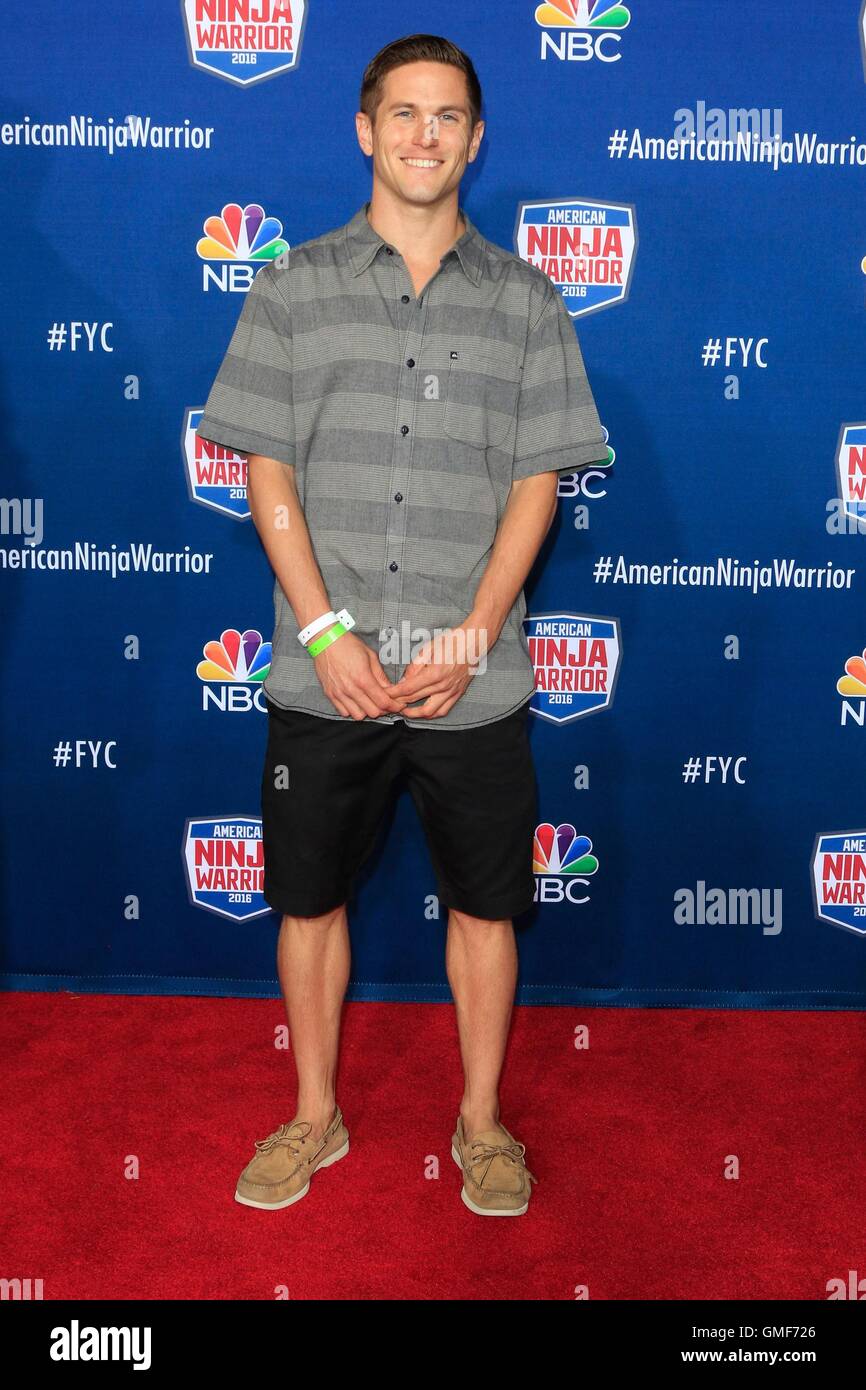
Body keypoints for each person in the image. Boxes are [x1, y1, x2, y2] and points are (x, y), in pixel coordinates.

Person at [196, 33, 608, 1217]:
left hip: (471, 684)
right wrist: (323, 631)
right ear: (364, 130)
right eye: (404, 112)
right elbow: (264, 463)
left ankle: (482, 1127)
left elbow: (538, 479)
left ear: (476, 140)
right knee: (306, 899)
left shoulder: (529, 302)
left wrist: (478, 628)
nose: (425, 133)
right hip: (324, 676)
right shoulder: (289, 284)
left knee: (486, 908)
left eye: (449, 116)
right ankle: (312, 1117)